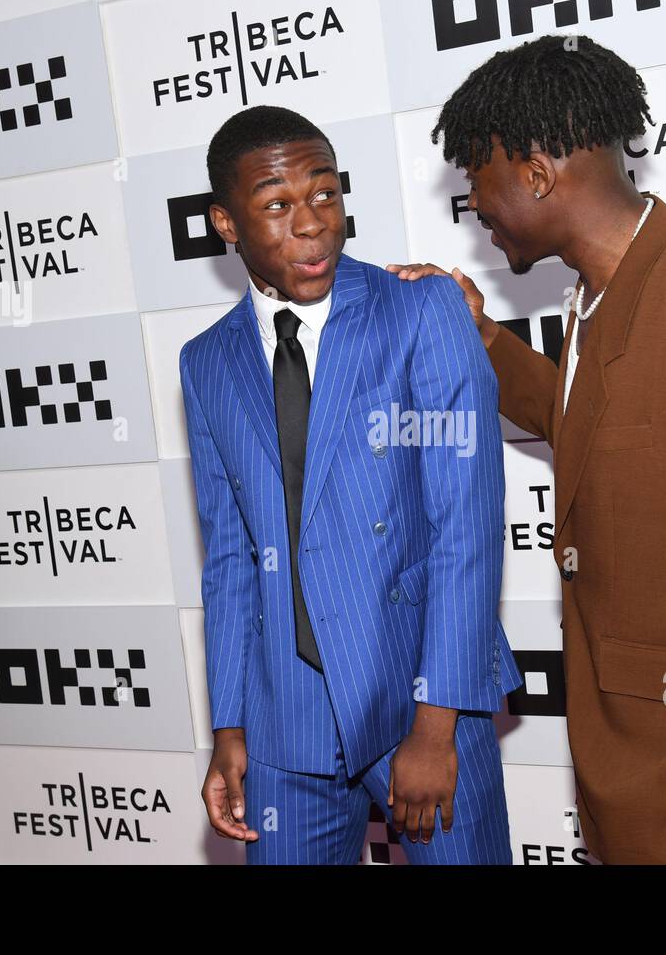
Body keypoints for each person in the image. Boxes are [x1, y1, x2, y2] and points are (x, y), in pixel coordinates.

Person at [390, 35, 666, 864]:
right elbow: (598, 431)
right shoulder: (605, 288)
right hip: (634, 772)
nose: (474, 207)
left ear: (535, 172)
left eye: (478, 180)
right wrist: (483, 337)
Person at [180, 105, 522, 865]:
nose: (312, 224)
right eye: (276, 205)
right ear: (225, 223)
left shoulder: (420, 310)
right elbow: (232, 558)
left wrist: (435, 728)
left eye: (325, 194)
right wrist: (231, 726)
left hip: (417, 691)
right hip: (282, 717)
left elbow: (463, 526)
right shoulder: (205, 362)